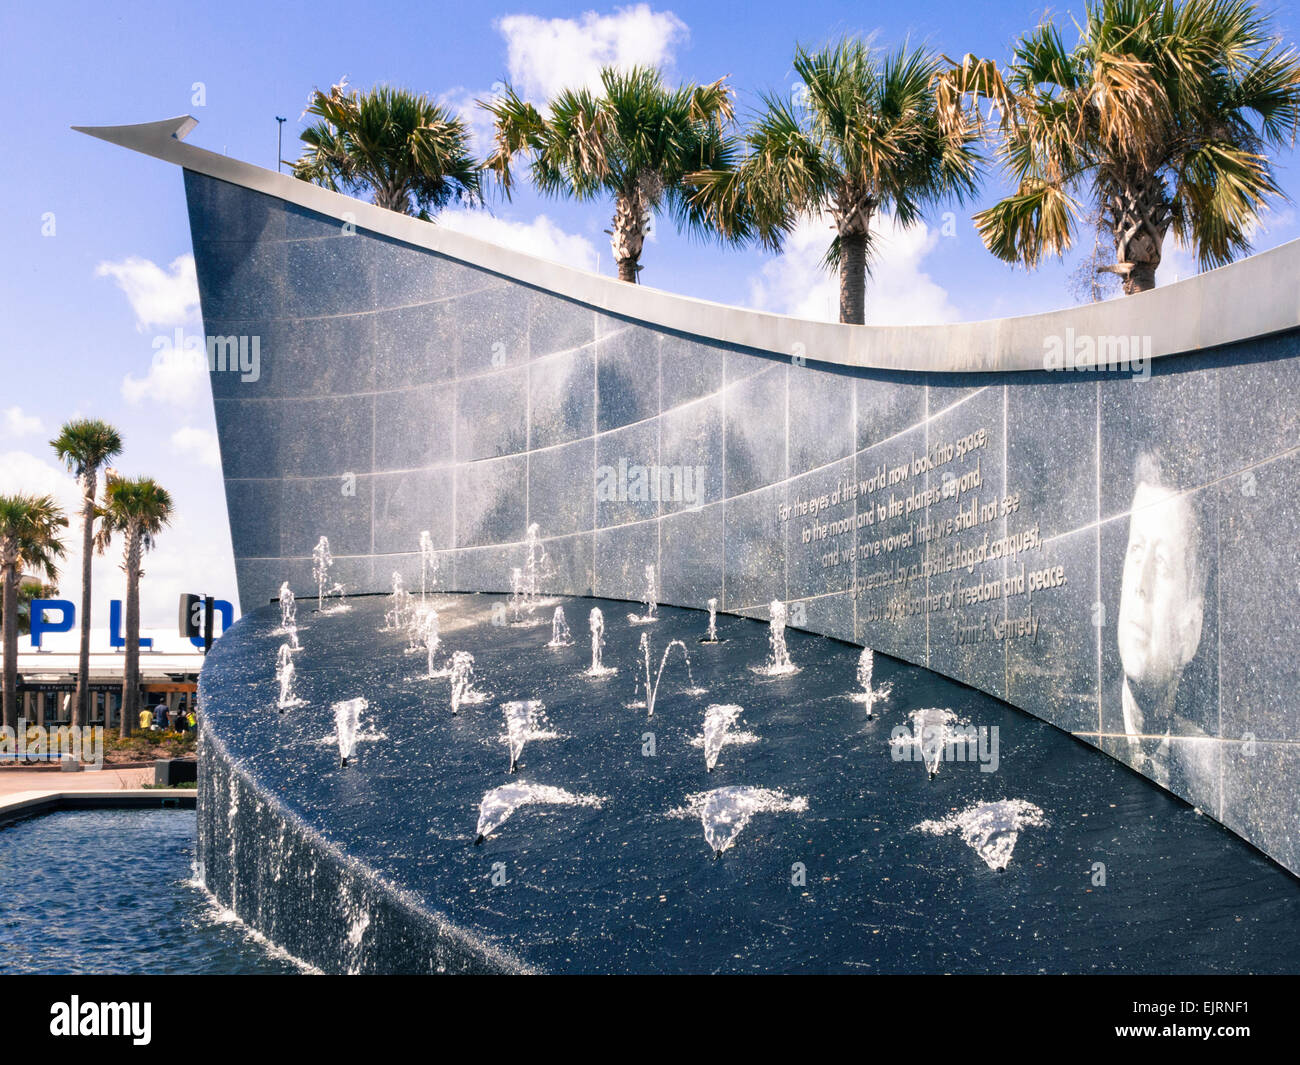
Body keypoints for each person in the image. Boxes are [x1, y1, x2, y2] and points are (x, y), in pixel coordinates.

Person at [1116, 448, 1212, 787]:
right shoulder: (1067, 731)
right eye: (1136, 552)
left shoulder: (1211, 772)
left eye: (1161, 563)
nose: (1141, 587)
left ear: (1192, 628)